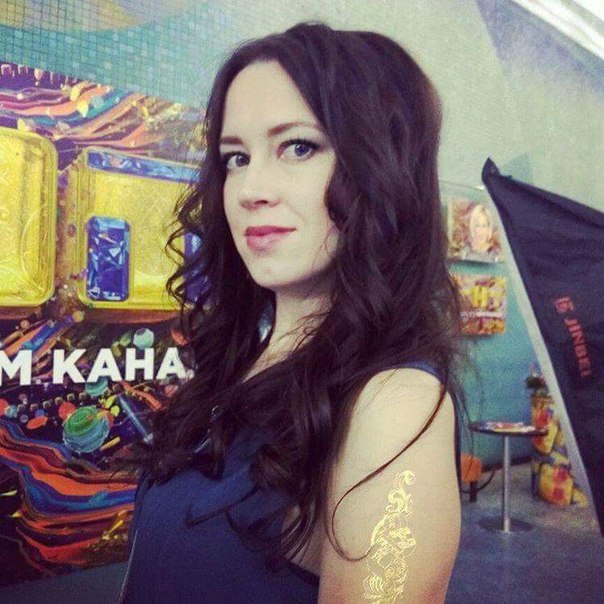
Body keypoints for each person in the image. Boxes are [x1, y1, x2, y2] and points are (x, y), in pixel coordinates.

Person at [120, 21, 466, 604]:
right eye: (235, 158)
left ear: (382, 167)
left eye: (298, 147)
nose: (249, 188)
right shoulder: (246, 360)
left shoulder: (394, 406)